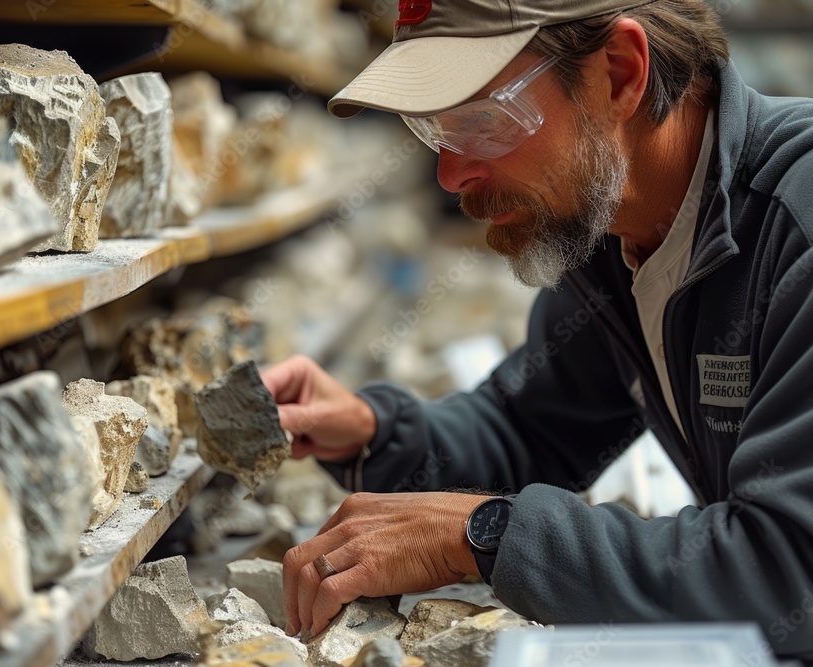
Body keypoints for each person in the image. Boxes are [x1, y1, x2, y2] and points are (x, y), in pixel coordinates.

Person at [259, 0, 813, 661]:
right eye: (436, 128)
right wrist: (374, 432)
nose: (451, 174)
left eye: (483, 121)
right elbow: (531, 428)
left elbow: (790, 572)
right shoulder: (618, 227)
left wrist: (479, 534)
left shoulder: (795, 226)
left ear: (619, 72)